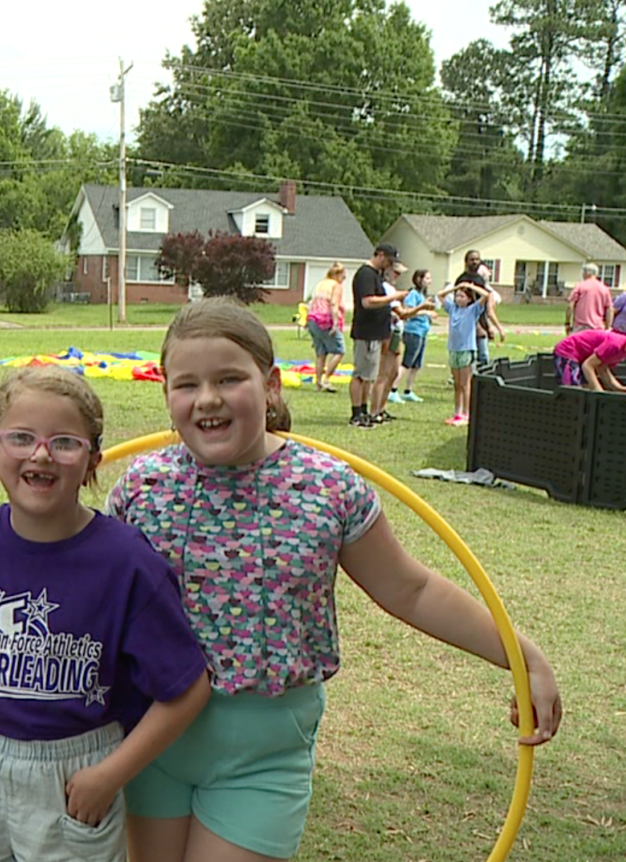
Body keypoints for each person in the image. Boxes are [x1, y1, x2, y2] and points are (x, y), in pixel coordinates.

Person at [107, 298, 562, 862]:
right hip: (151, 741)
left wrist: (525, 657)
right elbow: (92, 600)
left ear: (271, 384)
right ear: (166, 393)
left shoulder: (327, 487)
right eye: (186, 384)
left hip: (263, 756)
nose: (208, 399)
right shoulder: (142, 487)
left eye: (229, 378)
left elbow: (410, 590)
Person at [0, 367, 209, 862]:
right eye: (21, 438)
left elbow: (188, 689)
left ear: (94, 461)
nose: (40, 454)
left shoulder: (127, 563)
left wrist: (111, 775)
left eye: (64, 442)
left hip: (77, 768)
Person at [348, 243, 405, 429]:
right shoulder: (365, 274)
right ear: (380, 255)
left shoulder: (376, 276)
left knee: (369, 376)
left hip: (376, 333)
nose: (390, 265)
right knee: (360, 375)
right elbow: (367, 302)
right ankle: (356, 414)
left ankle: (364, 411)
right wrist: (394, 297)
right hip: (366, 332)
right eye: (389, 260)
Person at [436, 282, 489, 427]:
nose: (459, 299)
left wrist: (470, 287)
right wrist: (455, 288)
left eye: (462, 296)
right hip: (453, 349)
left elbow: (486, 295)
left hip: (466, 349)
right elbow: (440, 295)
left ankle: (466, 413)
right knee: (457, 384)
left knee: (465, 384)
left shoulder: (473, 310)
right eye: (457, 296)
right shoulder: (453, 309)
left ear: (469, 299)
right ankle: (457, 412)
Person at [554, 320, 626, 391]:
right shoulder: (615, 344)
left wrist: (618, 388)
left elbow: (602, 368)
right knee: (572, 389)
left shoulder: (625, 351)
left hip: (582, 357)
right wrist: (598, 390)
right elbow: (588, 365)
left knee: (585, 387)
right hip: (568, 351)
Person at [369, 262, 412, 423]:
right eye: (395, 272)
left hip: (396, 332)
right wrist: (421, 308)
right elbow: (401, 313)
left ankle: (381, 408)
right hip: (387, 333)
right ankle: (374, 412)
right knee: (383, 375)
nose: (398, 276)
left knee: (393, 373)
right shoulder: (386, 289)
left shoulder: (392, 290)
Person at [392, 269, 438, 403]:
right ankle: (392, 390)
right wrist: (426, 313)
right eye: (427, 278)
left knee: (416, 364)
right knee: (407, 362)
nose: (430, 281)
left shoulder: (422, 295)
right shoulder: (413, 294)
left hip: (422, 332)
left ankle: (408, 390)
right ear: (419, 279)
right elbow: (408, 313)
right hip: (413, 331)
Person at [455, 252, 504, 366]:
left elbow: (484, 307)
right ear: (466, 261)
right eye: (472, 259)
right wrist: (478, 326)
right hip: (467, 326)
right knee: (469, 357)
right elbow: (463, 307)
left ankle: (478, 382)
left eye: (477, 259)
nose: (475, 262)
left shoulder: (479, 280)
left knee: (483, 357)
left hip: (481, 322)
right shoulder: (462, 280)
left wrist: (488, 326)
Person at [304, 264, 346, 393]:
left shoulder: (320, 285)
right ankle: (326, 379)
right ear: (337, 275)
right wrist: (335, 323)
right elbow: (334, 304)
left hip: (313, 319)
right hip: (325, 320)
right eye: (343, 276)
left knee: (321, 353)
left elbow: (311, 303)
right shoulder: (336, 286)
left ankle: (318, 383)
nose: (343, 279)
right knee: (340, 351)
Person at [566, 264, 612, 334]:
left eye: (583, 272)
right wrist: (607, 327)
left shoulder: (580, 286)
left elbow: (570, 306)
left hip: (581, 327)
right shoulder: (604, 288)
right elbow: (609, 309)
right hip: (598, 327)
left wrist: (567, 323)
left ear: (587, 273)